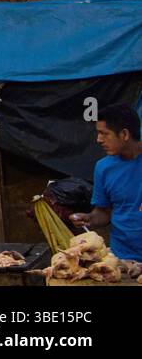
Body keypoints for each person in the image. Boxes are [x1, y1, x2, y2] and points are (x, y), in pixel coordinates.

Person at [71, 103, 142, 260]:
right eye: (98, 133)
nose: (98, 139)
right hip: (122, 259)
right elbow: (103, 212)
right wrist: (89, 219)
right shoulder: (103, 168)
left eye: (104, 134)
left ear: (124, 134)